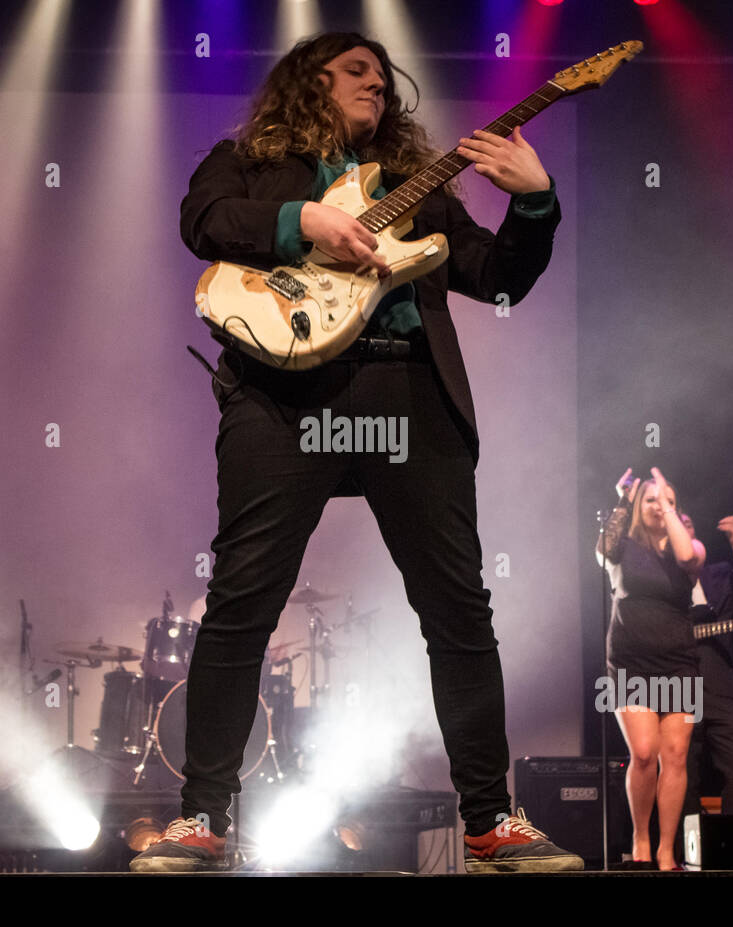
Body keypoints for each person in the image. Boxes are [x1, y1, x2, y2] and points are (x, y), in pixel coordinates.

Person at [130, 32, 580, 873]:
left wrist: (535, 201)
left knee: (459, 611)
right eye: (356, 73)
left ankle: (490, 821)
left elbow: (499, 278)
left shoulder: (420, 190)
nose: (378, 85)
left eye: (384, 76)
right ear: (310, 83)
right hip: (282, 398)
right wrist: (303, 219)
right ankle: (202, 819)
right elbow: (203, 221)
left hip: (408, 397)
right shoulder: (244, 161)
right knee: (240, 605)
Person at [597, 467, 704, 870]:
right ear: (638, 506)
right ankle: (640, 838)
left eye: (670, 500)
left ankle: (665, 850)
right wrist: (626, 497)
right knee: (644, 753)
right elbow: (604, 548)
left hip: (679, 663)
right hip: (629, 661)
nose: (661, 505)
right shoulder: (621, 547)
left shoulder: (692, 546)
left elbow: (685, 555)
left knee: (675, 755)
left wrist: (666, 506)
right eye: (653, 499)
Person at [680, 512, 733, 818]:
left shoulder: (720, 573)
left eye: (688, 523)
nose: (684, 526)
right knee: (683, 775)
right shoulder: (654, 582)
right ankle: (686, 853)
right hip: (675, 689)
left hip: (721, 687)